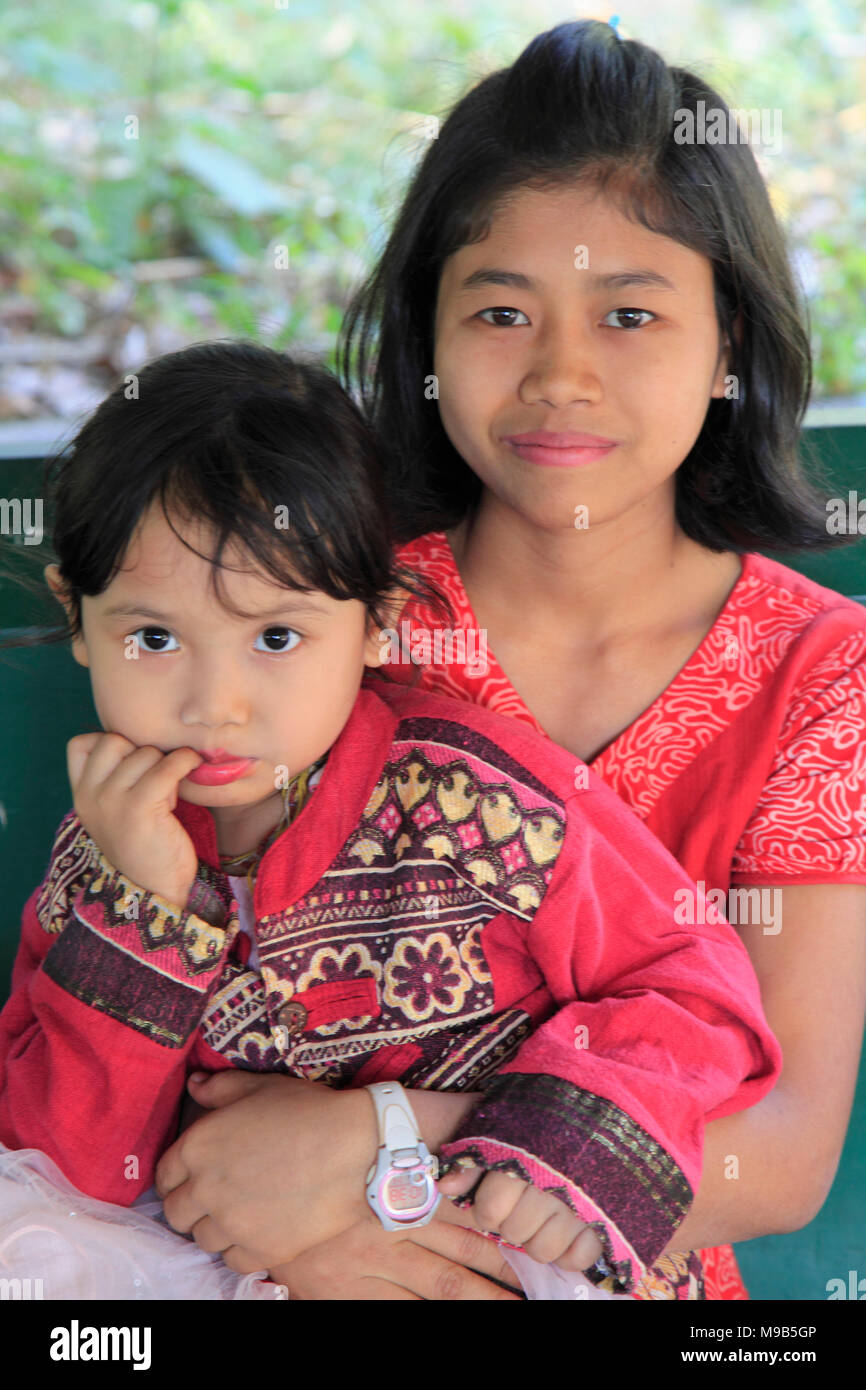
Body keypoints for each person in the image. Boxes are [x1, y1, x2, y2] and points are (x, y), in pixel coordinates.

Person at [0, 340, 782, 1302]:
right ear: (77, 618)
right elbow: (74, 1178)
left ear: (377, 622)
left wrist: (558, 1143)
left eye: (277, 637)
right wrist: (144, 912)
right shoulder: (106, 853)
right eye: (152, 636)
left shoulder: (474, 797)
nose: (217, 704)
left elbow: (694, 987)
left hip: (492, 1248)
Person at [332, 18, 866, 1299]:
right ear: (428, 339)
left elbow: (783, 1155)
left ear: (727, 341)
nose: (560, 374)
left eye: (628, 312)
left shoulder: (819, 672)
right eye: (502, 310)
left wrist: (367, 1167)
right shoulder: (333, 620)